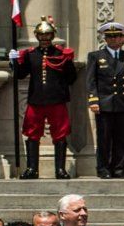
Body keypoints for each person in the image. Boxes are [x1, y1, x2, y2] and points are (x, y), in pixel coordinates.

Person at [10, 16, 77, 180]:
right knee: (32, 134)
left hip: (57, 99)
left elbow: (71, 78)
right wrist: (14, 62)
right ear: (37, 36)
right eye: (41, 35)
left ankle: (60, 170)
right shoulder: (31, 54)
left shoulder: (61, 54)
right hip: (36, 99)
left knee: (60, 135)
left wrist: (68, 63)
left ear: (52, 36)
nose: (44, 39)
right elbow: (21, 75)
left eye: (47, 35)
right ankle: (32, 169)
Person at [87, 22, 124, 179]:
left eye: (117, 36)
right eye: (110, 37)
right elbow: (91, 81)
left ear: (123, 38)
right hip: (104, 103)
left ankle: (119, 168)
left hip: (123, 103)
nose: (113, 40)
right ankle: (103, 168)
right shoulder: (96, 56)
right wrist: (93, 100)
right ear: (105, 39)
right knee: (104, 139)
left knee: (123, 138)